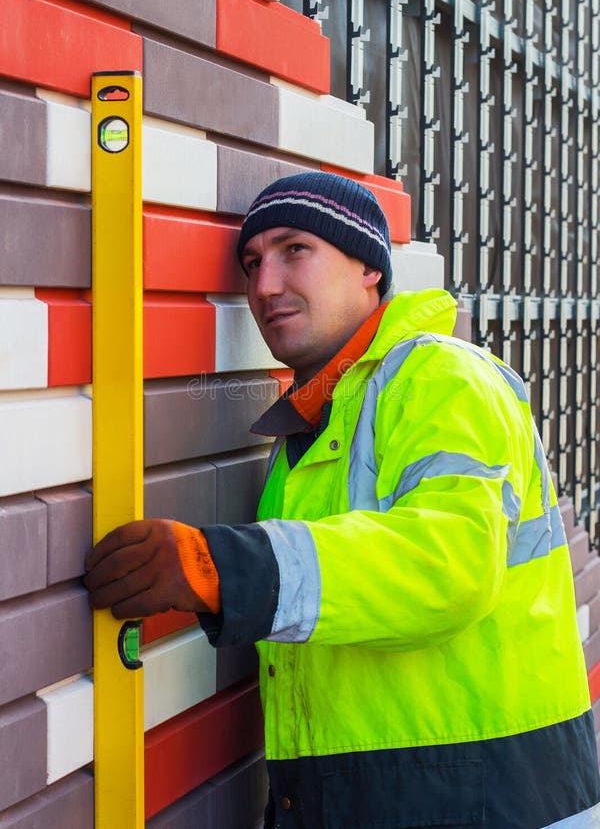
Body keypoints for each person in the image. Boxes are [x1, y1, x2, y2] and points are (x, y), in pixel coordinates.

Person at [85, 171, 600, 828]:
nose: (265, 285)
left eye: (295, 249)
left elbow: (449, 564)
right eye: (251, 263)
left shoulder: (442, 377)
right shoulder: (309, 436)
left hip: (495, 801)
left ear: (368, 270)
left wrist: (221, 568)